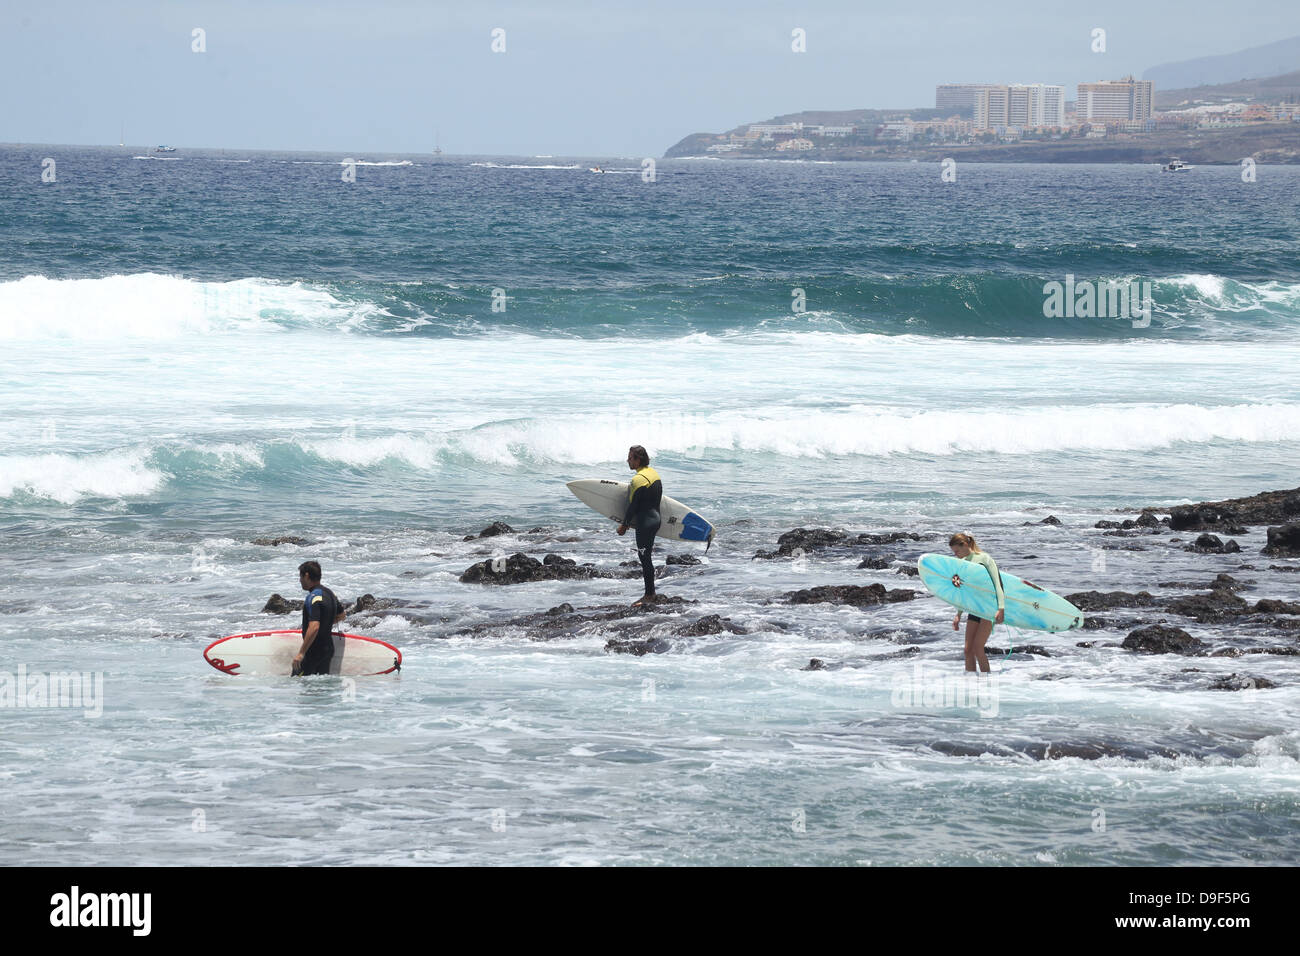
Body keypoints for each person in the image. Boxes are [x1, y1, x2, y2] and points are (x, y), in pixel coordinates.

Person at [947, 533, 1004, 673]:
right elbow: (965, 591)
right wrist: (958, 614)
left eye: (957, 551)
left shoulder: (984, 558)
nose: (956, 555)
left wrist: (1001, 608)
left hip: (988, 609)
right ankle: (971, 685)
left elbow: (998, 584)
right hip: (973, 609)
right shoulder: (963, 564)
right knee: (968, 650)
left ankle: (986, 682)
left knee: (978, 648)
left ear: (964, 545)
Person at [616, 445, 662, 606]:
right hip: (655, 520)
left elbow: (633, 506)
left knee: (644, 558)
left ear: (638, 459)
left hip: (645, 523)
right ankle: (650, 593)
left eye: (630, 458)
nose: (628, 460)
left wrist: (624, 525)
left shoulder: (638, 480)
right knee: (645, 556)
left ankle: (649, 595)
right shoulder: (653, 474)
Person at [294, 560, 344, 676]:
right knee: (319, 689)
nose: (300, 580)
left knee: (297, 681)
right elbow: (342, 615)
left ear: (306, 575)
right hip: (328, 649)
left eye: (300, 577)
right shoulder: (330, 594)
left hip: (314, 651)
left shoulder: (313, 597)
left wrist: (301, 653)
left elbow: (314, 626)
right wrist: (325, 623)